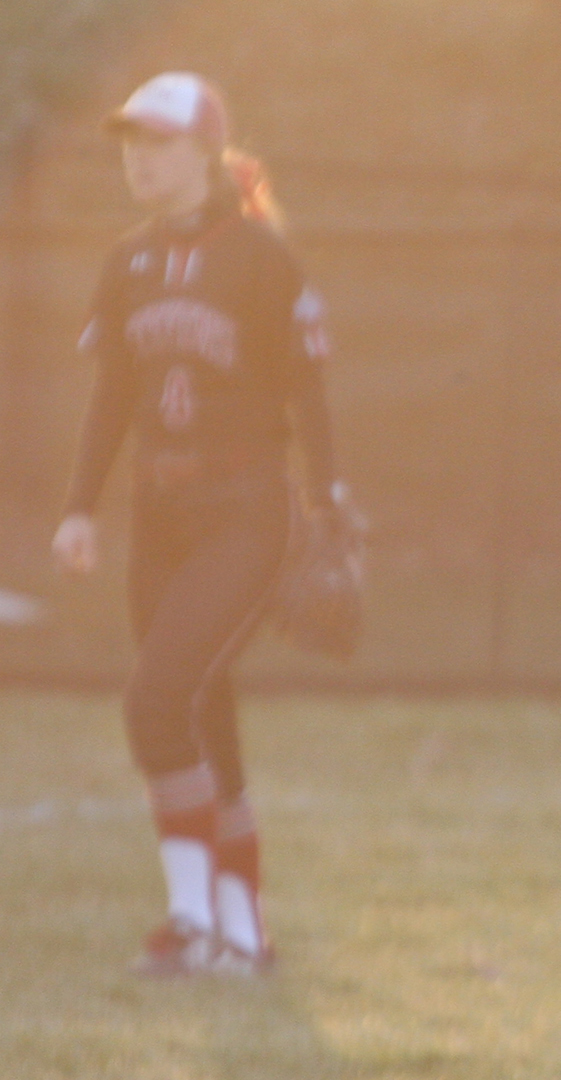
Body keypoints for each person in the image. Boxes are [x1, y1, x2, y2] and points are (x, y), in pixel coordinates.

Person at [50, 72, 346, 976]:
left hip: (245, 511)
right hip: (159, 514)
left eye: (159, 141)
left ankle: (189, 923)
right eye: (130, 142)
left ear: (206, 152)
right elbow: (112, 397)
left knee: (152, 702)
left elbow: (308, 396)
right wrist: (78, 510)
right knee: (202, 710)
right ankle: (241, 932)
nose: (139, 158)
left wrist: (329, 506)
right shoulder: (126, 261)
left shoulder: (261, 256)